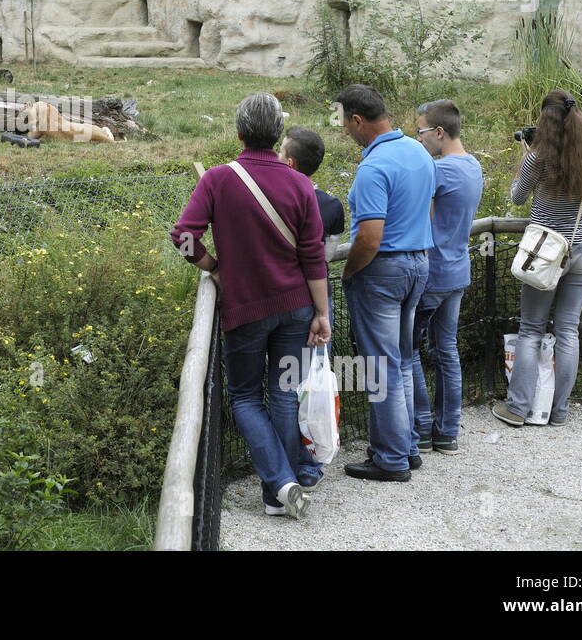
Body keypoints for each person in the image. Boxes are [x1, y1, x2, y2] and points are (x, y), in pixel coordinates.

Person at [170, 93, 330, 519]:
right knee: (283, 393)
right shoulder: (300, 184)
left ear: (239, 133)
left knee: (243, 396)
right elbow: (313, 254)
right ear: (278, 135)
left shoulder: (218, 179)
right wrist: (322, 313)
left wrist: (214, 267)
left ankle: (279, 484)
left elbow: (183, 235)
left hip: (245, 309)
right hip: (296, 305)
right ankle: (278, 490)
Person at [335, 84, 435, 482]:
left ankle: (391, 458)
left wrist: (350, 271)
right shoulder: (418, 151)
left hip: (384, 270)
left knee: (380, 367)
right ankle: (407, 447)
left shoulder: (373, 168)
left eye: (343, 121)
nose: (343, 129)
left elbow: (369, 236)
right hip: (419, 264)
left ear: (358, 120)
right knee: (404, 359)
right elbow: (426, 209)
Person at [492, 89, 582, 428]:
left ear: (544, 120)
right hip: (581, 249)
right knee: (569, 331)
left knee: (531, 330)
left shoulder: (537, 157)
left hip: (545, 254)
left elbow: (517, 197)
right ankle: (559, 412)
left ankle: (519, 409)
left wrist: (527, 154)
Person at [412, 100, 483, 455]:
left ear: (439, 132)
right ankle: (447, 431)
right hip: (457, 270)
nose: (419, 138)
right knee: (447, 353)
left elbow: (418, 212)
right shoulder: (473, 166)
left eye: (421, 131)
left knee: (408, 350)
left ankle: (421, 428)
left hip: (432, 274)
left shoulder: (441, 171)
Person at [278, 125, 346, 490]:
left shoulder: (274, 198)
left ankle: (287, 461)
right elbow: (328, 255)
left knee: (282, 385)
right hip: (319, 299)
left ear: (289, 162)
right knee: (310, 379)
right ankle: (311, 460)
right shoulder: (332, 205)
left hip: (282, 296)